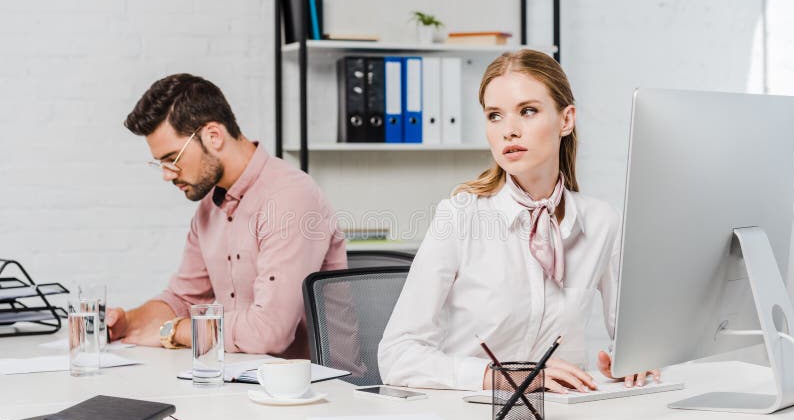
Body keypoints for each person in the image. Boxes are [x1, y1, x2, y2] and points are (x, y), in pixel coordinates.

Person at [378, 50, 658, 393]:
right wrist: (505, 376)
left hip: (567, 411)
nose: (509, 131)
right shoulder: (460, 217)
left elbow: (637, 341)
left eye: (527, 111)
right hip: (474, 412)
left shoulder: (602, 222)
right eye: (494, 116)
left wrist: (630, 362)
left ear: (566, 120)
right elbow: (396, 356)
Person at [106, 73, 346, 357]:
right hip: (243, 374)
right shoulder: (209, 209)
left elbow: (270, 332)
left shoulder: (289, 197)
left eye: (172, 159)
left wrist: (175, 331)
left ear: (214, 136)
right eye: (161, 164)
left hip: (316, 379)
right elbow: (183, 299)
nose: (167, 175)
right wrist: (127, 323)